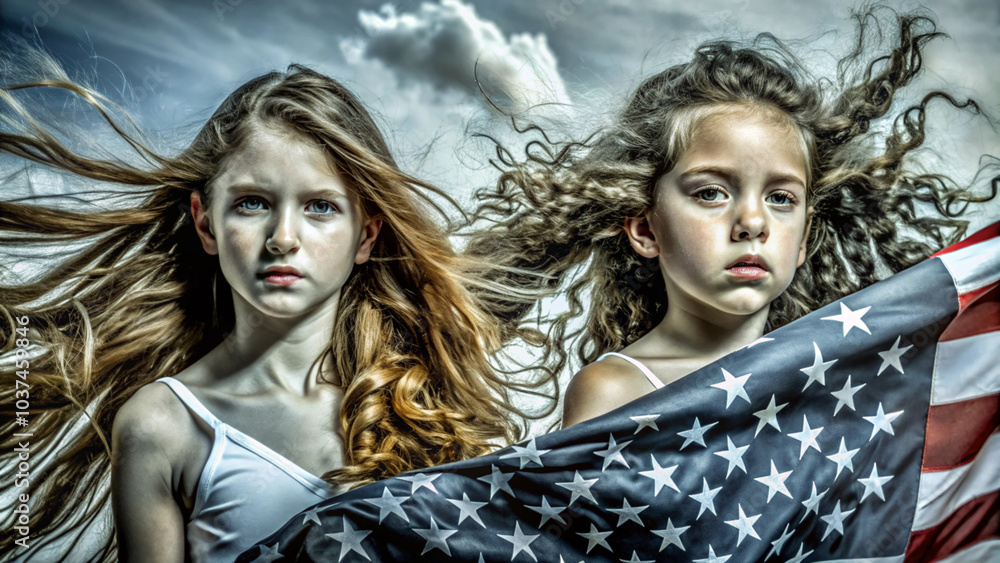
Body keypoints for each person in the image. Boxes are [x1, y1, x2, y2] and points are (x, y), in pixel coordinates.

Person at [0, 52, 552, 562]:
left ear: (367, 236)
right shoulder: (161, 424)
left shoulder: (428, 401)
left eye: (319, 207)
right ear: (204, 221)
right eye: (253, 203)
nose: (283, 237)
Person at [462, 6, 998, 428]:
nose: (752, 222)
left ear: (806, 236)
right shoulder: (617, 390)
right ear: (646, 228)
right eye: (712, 192)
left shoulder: (837, 378)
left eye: (782, 198)